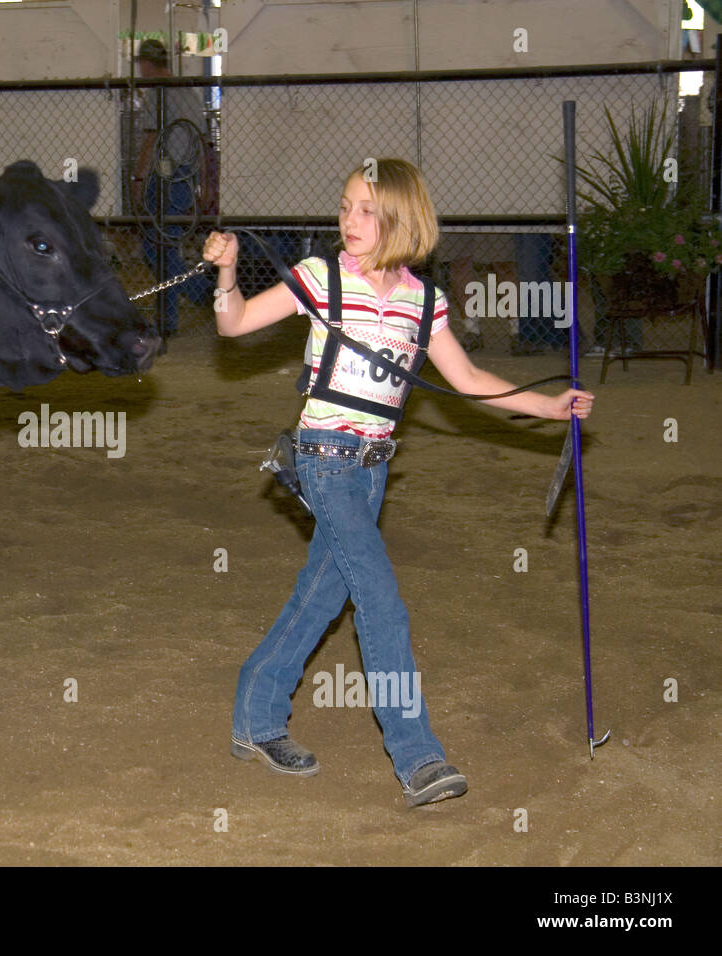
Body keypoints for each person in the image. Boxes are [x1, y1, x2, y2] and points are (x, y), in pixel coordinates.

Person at [205, 158, 594, 807]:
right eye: (345, 205)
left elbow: (467, 381)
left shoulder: (424, 302)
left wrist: (548, 406)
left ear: (401, 220)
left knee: (324, 595)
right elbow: (233, 323)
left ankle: (256, 712)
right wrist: (224, 271)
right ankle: (418, 757)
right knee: (382, 603)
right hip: (324, 460)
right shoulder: (320, 279)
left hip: (375, 467)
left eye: (366, 209)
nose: (349, 220)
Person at [131, 38, 212, 334]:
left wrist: (138, 179)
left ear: (147, 64)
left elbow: (151, 138)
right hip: (185, 174)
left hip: (166, 177)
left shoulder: (159, 92)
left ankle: (201, 293)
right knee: (165, 248)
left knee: (157, 250)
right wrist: (203, 181)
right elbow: (202, 140)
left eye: (140, 65)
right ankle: (172, 316)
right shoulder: (187, 91)